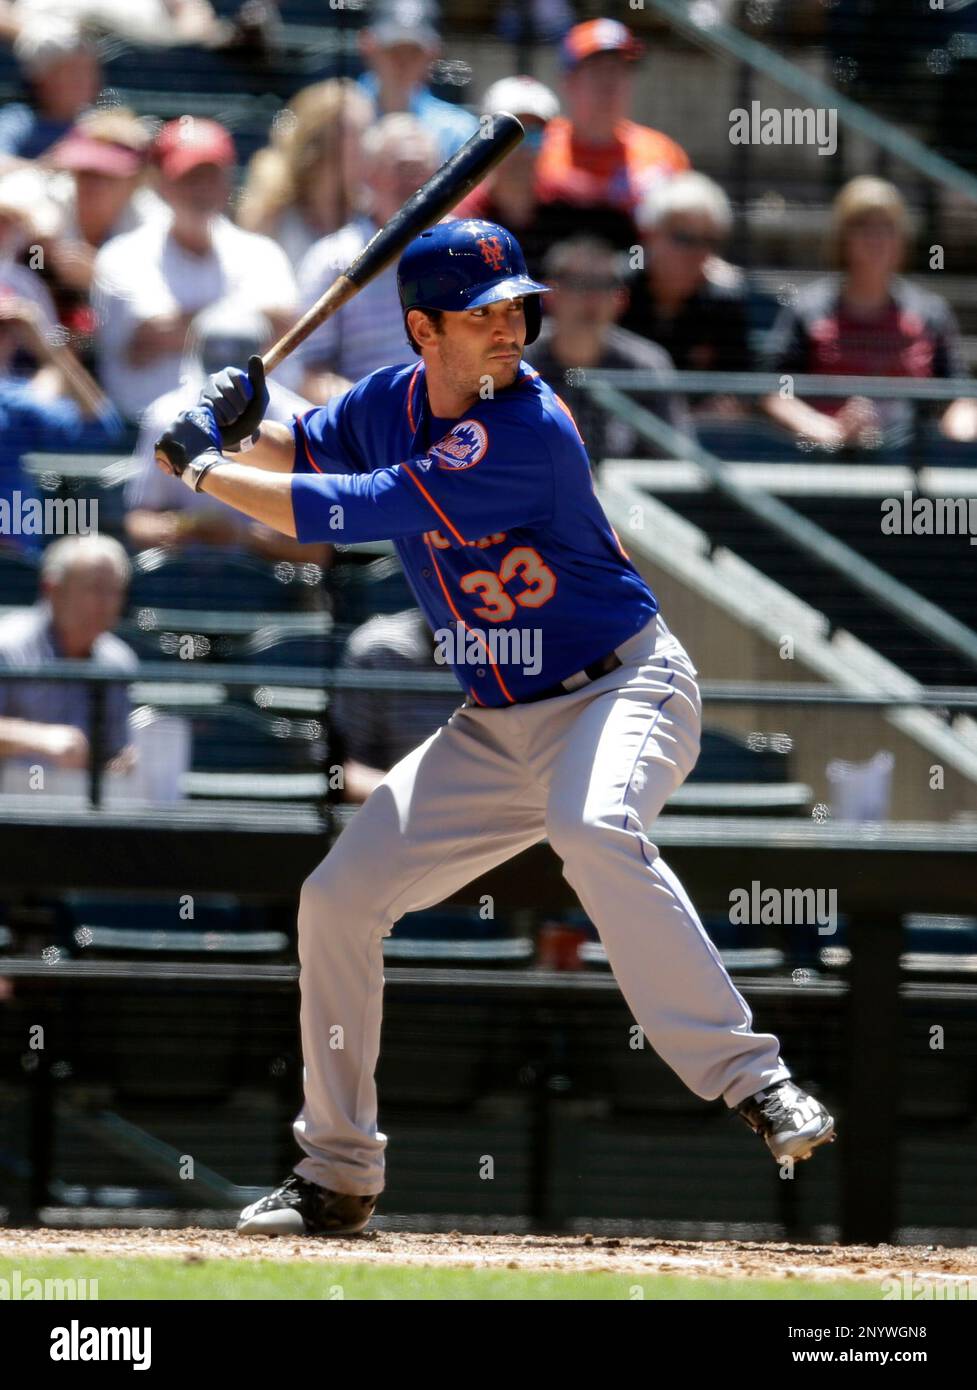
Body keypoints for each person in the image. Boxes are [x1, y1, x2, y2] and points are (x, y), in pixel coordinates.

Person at [153, 217, 836, 1237]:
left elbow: (339, 511)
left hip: (620, 689)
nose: (510, 328)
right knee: (337, 899)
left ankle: (754, 1078)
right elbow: (309, 444)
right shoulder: (389, 401)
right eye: (483, 316)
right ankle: (336, 1172)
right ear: (423, 330)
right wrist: (246, 412)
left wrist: (203, 466)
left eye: (515, 308)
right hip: (496, 720)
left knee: (592, 826)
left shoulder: (525, 428)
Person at [92, 116, 298, 421]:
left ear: (227, 182)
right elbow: (152, 335)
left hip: (250, 431)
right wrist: (250, 324)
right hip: (149, 436)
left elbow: (284, 326)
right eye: (189, 177)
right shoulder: (124, 254)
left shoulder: (260, 252)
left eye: (210, 176)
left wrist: (186, 325)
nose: (201, 190)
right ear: (161, 183)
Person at [761, 176, 977, 449]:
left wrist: (959, 431)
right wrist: (824, 429)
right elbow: (775, 391)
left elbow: (959, 395)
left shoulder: (930, 312)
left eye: (887, 228)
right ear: (842, 238)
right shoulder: (807, 308)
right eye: (863, 227)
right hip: (823, 461)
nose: (876, 239)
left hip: (912, 462)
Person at [125, 299, 331, 566]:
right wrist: (182, 529)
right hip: (184, 575)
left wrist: (242, 536)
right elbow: (138, 522)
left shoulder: (297, 420)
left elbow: (318, 550)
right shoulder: (166, 415)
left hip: (271, 584)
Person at [295, 114, 439, 401]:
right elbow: (309, 373)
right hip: (366, 424)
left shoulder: (463, 250)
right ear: (369, 175)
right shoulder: (333, 259)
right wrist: (375, 410)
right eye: (402, 168)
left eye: (422, 170)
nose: (413, 182)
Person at [524, 235, 693, 463]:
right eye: (579, 283)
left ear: (622, 299)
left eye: (605, 285)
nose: (592, 298)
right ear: (551, 293)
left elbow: (674, 459)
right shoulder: (519, 358)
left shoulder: (646, 366)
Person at [536, 17, 689, 245]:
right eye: (597, 70)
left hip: (639, 276)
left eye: (619, 69)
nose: (609, 83)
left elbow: (684, 234)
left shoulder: (663, 153)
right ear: (568, 81)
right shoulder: (538, 146)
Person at [0, 534, 135, 778]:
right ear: (53, 589)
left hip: (83, 810)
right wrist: (37, 738)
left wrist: (123, 763)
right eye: (95, 588)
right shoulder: (7, 645)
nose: (108, 603)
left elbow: (114, 750)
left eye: (115, 591)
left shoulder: (119, 661)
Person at [0, 292, 122, 554]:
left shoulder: (14, 401)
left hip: (11, 562)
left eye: (4, 331)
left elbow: (101, 427)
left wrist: (47, 346)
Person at [623, 171, 753, 413]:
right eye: (684, 238)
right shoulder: (615, 290)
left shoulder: (724, 301)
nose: (697, 252)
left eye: (708, 240)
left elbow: (742, 388)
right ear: (650, 235)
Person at [331, 606, 465, 804]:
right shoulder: (375, 651)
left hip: (503, 824)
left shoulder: (522, 651)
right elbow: (340, 775)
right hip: (403, 821)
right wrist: (424, 800)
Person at [236, 79, 373, 271]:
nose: (369, 146)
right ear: (322, 141)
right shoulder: (271, 209)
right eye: (359, 133)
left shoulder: (370, 210)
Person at [451, 75, 571, 280]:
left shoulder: (571, 208)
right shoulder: (461, 217)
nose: (521, 149)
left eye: (533, 134)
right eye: (508, 135)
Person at [357, 0, 478, 164]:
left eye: (414, 52)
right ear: (368, 46)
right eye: (393, 50)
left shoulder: (460, 131)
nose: (402, 62)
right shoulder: (337, 119)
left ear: (433, 54)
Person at [0, 16, 101, 164]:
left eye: (88, 72)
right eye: (72, 73)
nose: (83, 81)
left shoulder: (99, 125)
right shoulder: (16, 121)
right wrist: (50, 167)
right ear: (41, 79)